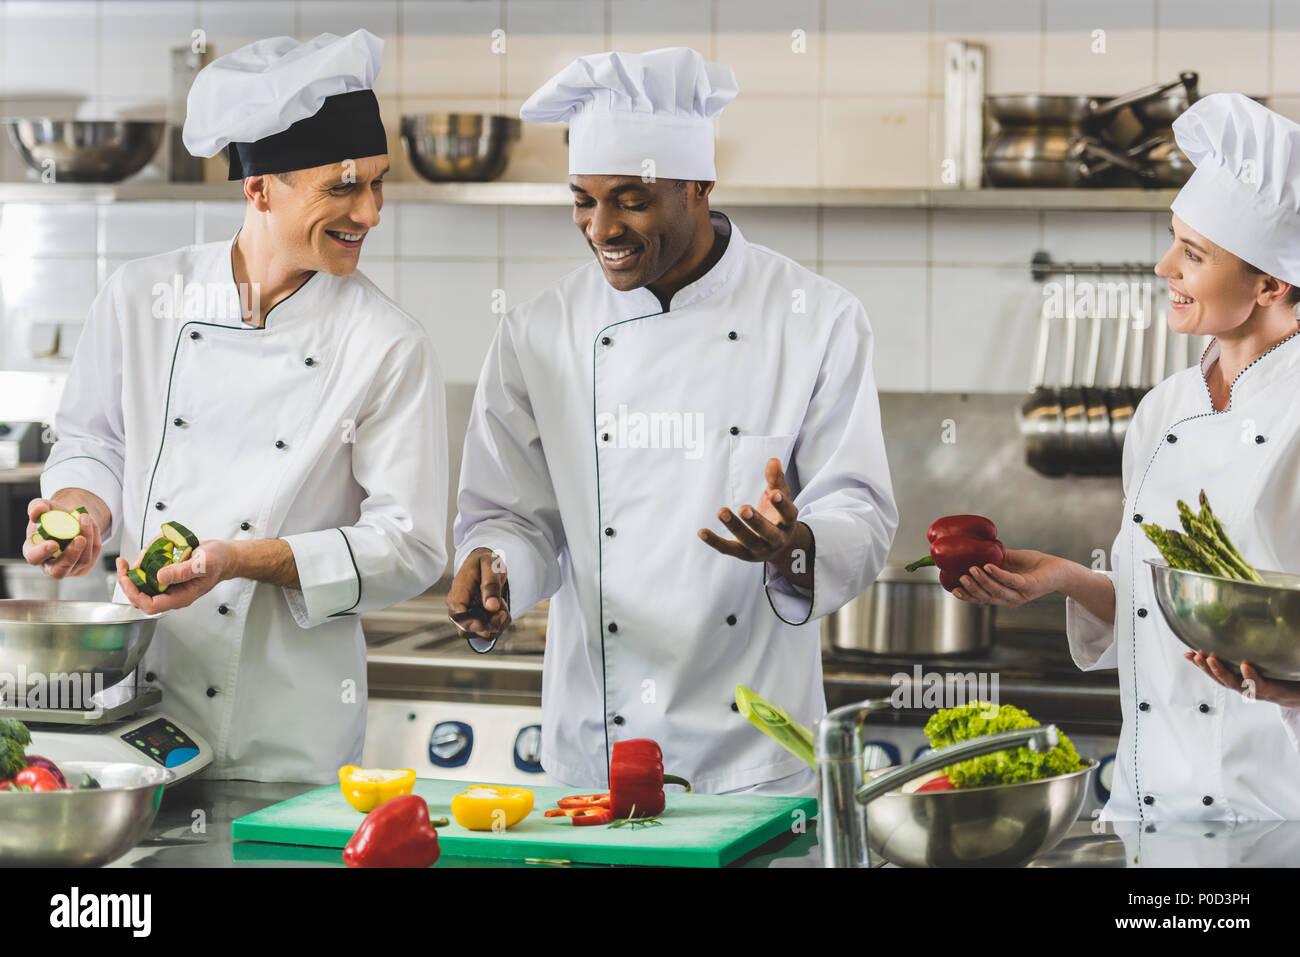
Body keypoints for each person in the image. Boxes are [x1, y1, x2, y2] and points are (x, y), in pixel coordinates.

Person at [448, 47, 897, 797]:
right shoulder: (538, 331)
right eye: (583, 199)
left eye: (631, 198)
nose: (602, 227)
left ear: (698, 184)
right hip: (595, 751)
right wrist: (495, 568)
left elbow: (861, 511)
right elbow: (517, 518)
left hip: (753, 759)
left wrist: (794, 545)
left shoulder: (815, 319)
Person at [25, 30, 448, 783]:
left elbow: (411, 544)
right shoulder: (140, 297)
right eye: (343, 187)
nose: (371, 212)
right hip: (138, 707)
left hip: (288, 734)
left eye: (378, 183)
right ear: (259, 189)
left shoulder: (387, 344)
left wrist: (241, 561)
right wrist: (82, 511)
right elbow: (94, 440)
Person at [955, 93, 1300, 820]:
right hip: (1151, 804)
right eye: (1174, 239)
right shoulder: (1162, 409)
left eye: (1193, 253)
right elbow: (1156, 614)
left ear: (1272, 283)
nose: (1162, 265)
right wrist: (1072, 580)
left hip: (1276, 809)